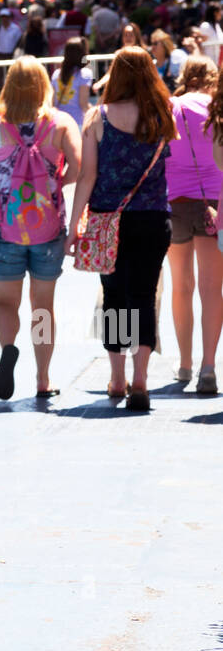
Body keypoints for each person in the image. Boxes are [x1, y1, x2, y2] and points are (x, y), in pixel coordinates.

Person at [66, 47, 177, 411]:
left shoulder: (98, 118)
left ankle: (116, 378)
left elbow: (87, 175)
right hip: (152, 217)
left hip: (106, 219)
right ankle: (141, 378)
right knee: (144, 295)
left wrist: (73, 226)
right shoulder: (163, 115)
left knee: (113, 297)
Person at [0, 57, 81, 401]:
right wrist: (54, 181)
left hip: (4, 231)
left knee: (5, 302)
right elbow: (78, 169)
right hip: (48, 230)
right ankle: (43, 379)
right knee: (43, 307)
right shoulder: (60, 124)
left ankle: (9, 346)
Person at [165, 57, 222, 392]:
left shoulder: (171, 107)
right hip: (214, 204)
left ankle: (184, 364)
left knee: (180, 286)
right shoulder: (218, 108)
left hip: (174, 204)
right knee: (211, 289)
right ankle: (209, 366)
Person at [51, 37, 93, 129]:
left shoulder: (56, 74)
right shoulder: (85, 74)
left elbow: (53, 102)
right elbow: (83, 104)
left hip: (58, 123)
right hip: (77, 123)